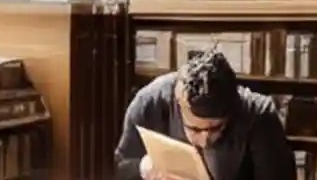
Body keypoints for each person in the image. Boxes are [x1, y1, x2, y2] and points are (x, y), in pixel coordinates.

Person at [114, 49, 295, 180]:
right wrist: (143, 168)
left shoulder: (259, 116)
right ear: (178, 101)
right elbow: (118, 168)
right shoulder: (150, 103)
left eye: (216, 128)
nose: (204, 140)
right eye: (194, 129)